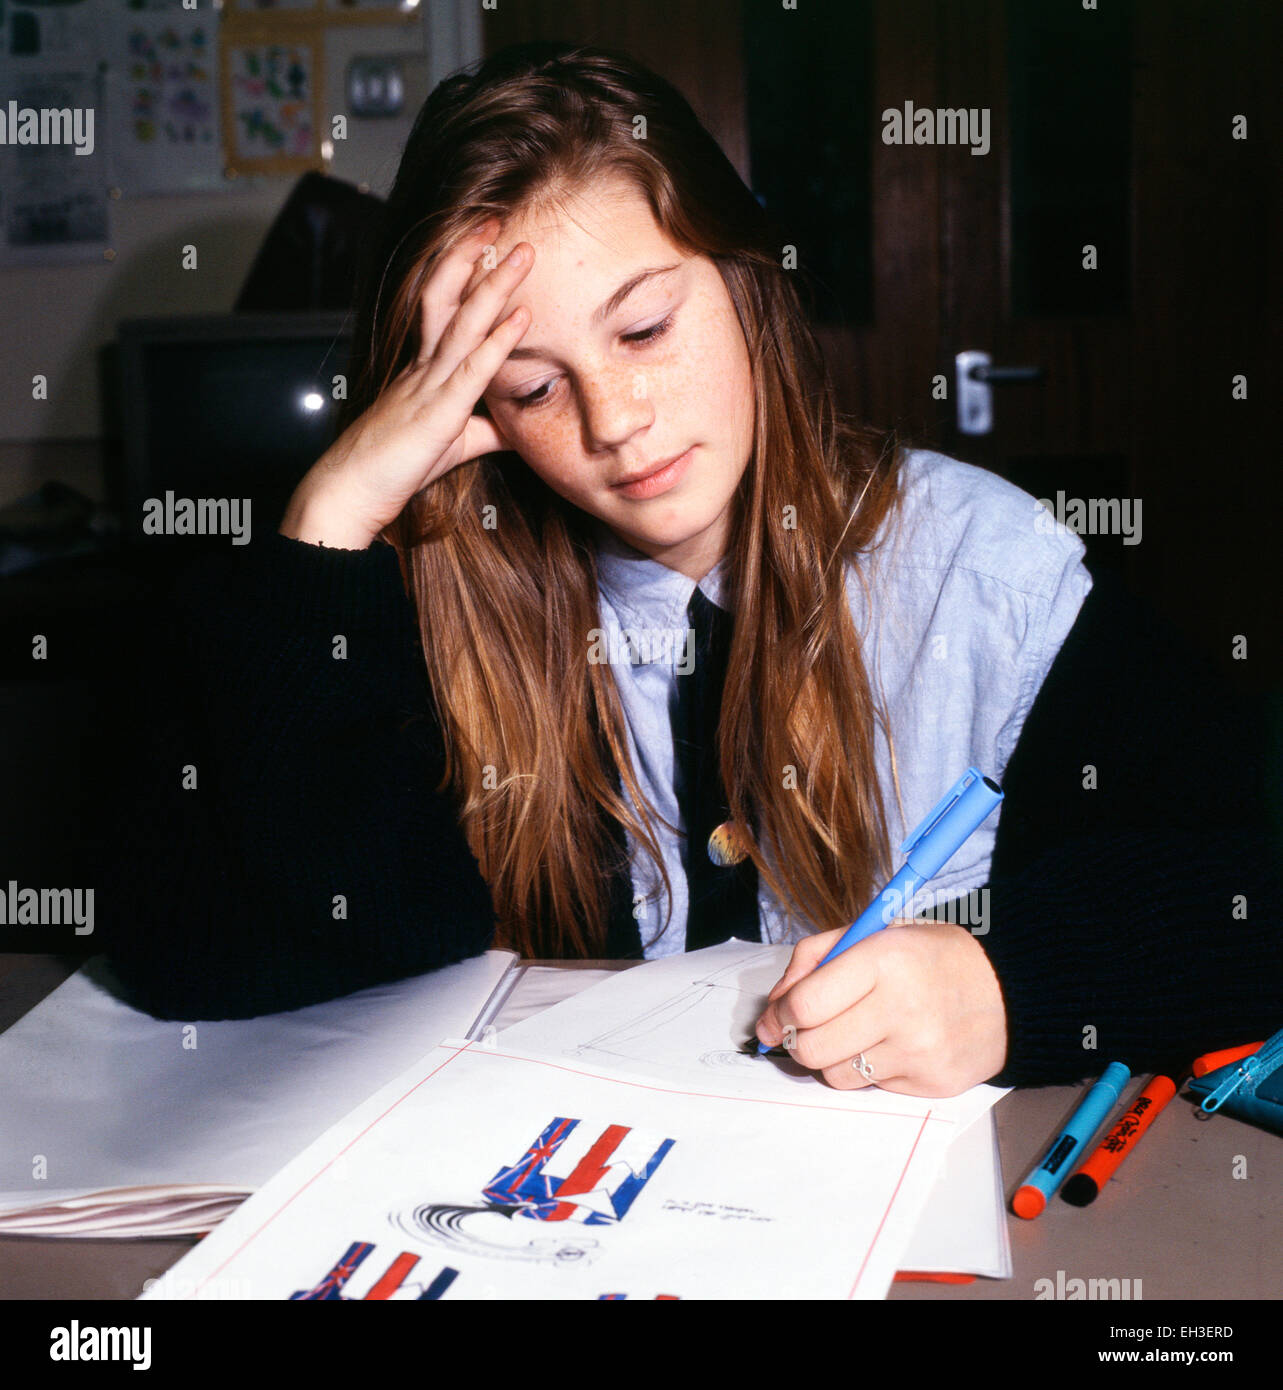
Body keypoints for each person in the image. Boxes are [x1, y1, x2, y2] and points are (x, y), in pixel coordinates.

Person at [99, 43, 1280, 1097]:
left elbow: (1250, 894)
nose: (615, 419)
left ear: (745, 284)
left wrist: (1010, 982)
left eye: (645, 328)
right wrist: (329, 523)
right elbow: (192, 959)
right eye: (530, 385)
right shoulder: (433, 609)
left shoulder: (984, 571)